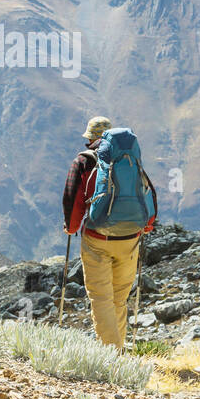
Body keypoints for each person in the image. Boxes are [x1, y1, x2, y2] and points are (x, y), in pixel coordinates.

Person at [61, 115, 157, 348]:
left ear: (90, 138)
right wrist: (147, 225)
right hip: (130, 238)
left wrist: (71, 227)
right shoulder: (130, 158)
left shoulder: (83, 161)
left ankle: (111, 356)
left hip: (98, 239)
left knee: (101, 299)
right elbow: (146, 192)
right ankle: (119, 350)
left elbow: (72, 200)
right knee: (119, 299)